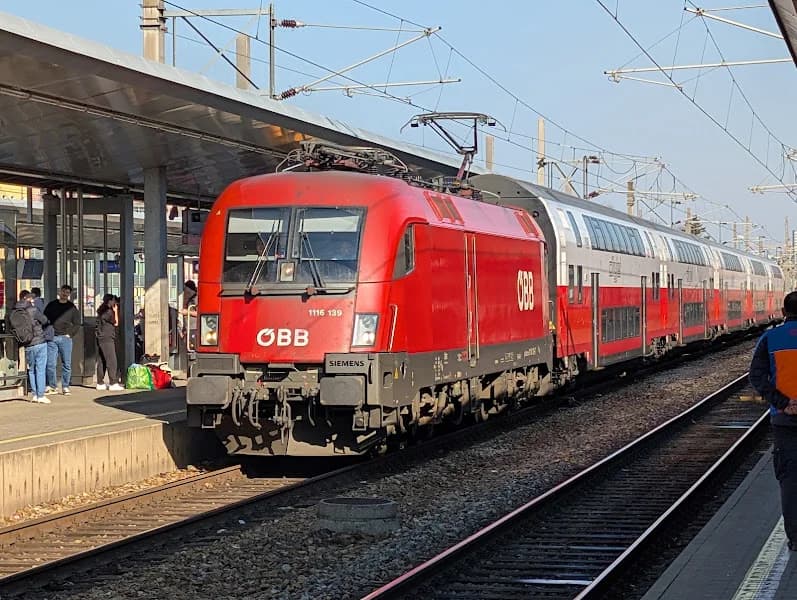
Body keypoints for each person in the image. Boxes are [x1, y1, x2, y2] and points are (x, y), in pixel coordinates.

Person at [750, 290, 797, 551]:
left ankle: (796, 538)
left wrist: (783, 403)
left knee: (790, 479)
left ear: (783, 312)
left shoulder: (771, 338)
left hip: (784, 419)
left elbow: (757, 377)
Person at [10, 290, 50, 403]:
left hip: (27, 344)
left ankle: (35, 394)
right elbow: (45, 320)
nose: (33, 301)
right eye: (31, 299)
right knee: (40, 369)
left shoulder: (15, 311)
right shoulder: (33, 310)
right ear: (27, 298)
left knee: (31, 370)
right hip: (39, 342)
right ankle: (41, 395)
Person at [44, 284, 81, 395]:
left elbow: (77, 323)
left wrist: (70, 334)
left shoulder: (72, 308)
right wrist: (47, 331)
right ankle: (52, 386)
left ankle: (65, 386)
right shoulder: (52, 305)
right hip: (52, 338)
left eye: (67, 292)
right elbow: (44, 318)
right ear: (59, 292)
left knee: (67, 364)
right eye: (63, 291)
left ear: (69, 294)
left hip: (65, 338)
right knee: (50, 364)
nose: (64, 294)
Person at [31, 287, 56, 395]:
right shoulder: (46, 303)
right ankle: (49, 385)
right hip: (47, 335)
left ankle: (37, 391)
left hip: (37, 338)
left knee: (35, 367)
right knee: (46, 364)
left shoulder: (34, 307)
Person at [96, 294, 123, 391]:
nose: (115, 303)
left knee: (102, 360)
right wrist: (115, 311)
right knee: (112, 360)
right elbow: (116, 322)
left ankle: (100, 382)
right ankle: (113, 382)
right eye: (114, 301)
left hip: (101, 337)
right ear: (110, 301)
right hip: (107, 338)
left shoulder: (101, 310)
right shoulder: (108, 312)